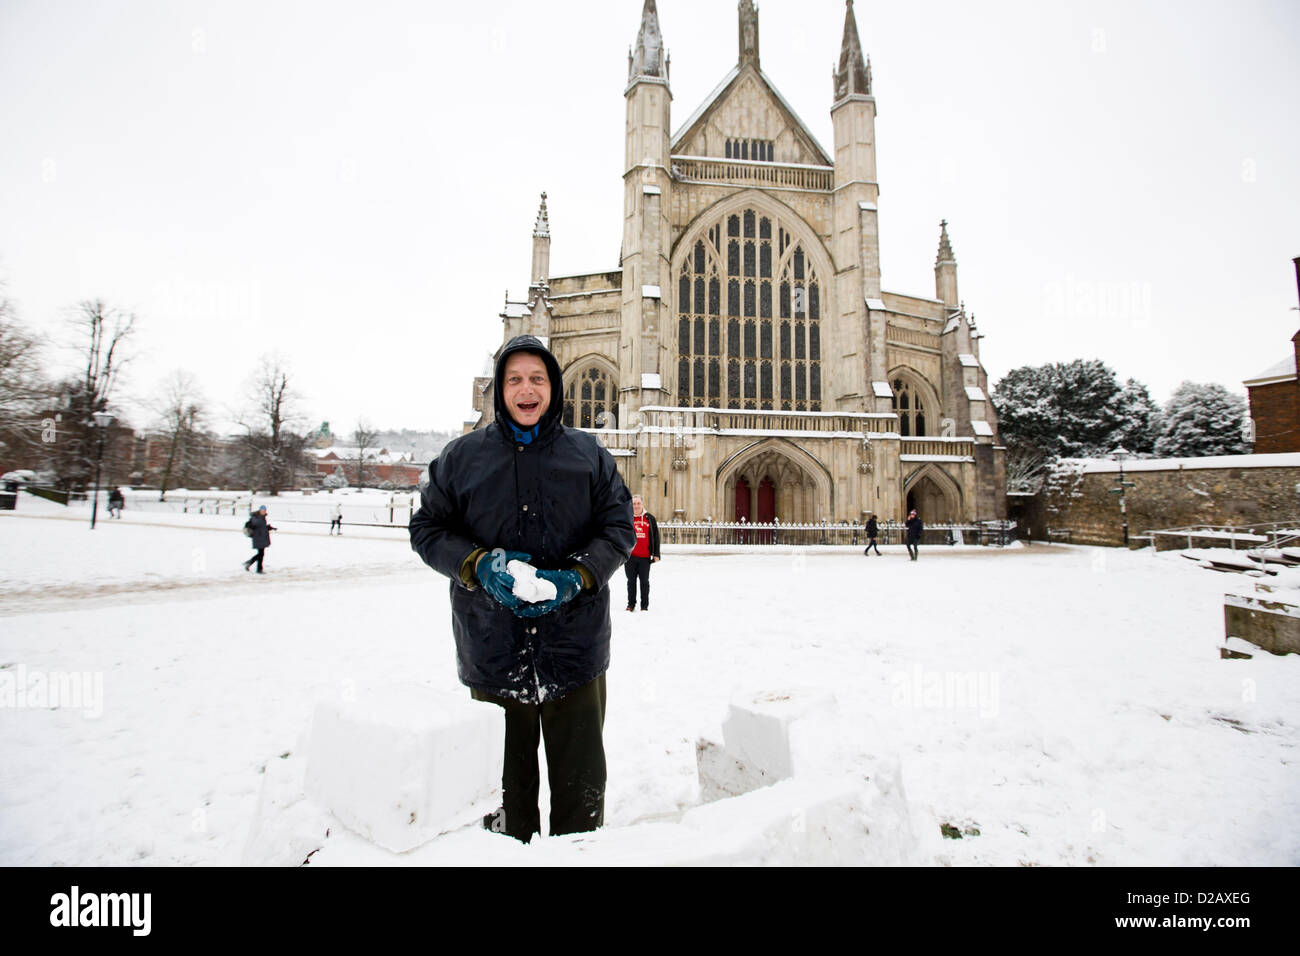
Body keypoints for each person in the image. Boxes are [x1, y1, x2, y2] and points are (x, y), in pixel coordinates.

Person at [409, 334, 634, 844]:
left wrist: (576, 577)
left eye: (537, 378)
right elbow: (426, 529)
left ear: (553, 386)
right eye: (515, 379)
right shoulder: (462, 457)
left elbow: (619, 529)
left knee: (581, 798)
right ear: (500, 389)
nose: (526, 389)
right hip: (492, 650)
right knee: (501, 800)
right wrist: (476, 564)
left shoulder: (588, 455)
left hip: (574, 652)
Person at [624, 494, 660, 611]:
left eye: (638, 503)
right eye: (634, 504)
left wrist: (656, 554)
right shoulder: (627, 517)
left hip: (645, 557)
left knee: (644, 582)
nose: (636, 506)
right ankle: (631, 604)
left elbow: (655, 537)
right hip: (630, 557)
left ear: (642, 504)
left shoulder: (649, 518)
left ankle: (644, 606)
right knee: (631, 582)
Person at [243, 505, 276, 573]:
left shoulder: (262, 517)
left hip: (262, 537)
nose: (264, 512)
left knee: (261, 554)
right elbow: (256, 524)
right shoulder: (256, 517)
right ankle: (257, 568)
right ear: (260, 510)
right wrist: (261, 518)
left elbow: (262, 527)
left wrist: (270, 528)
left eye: (264, 511)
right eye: (262, 510)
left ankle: (250, 564)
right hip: (258, 538)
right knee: (261, 554)